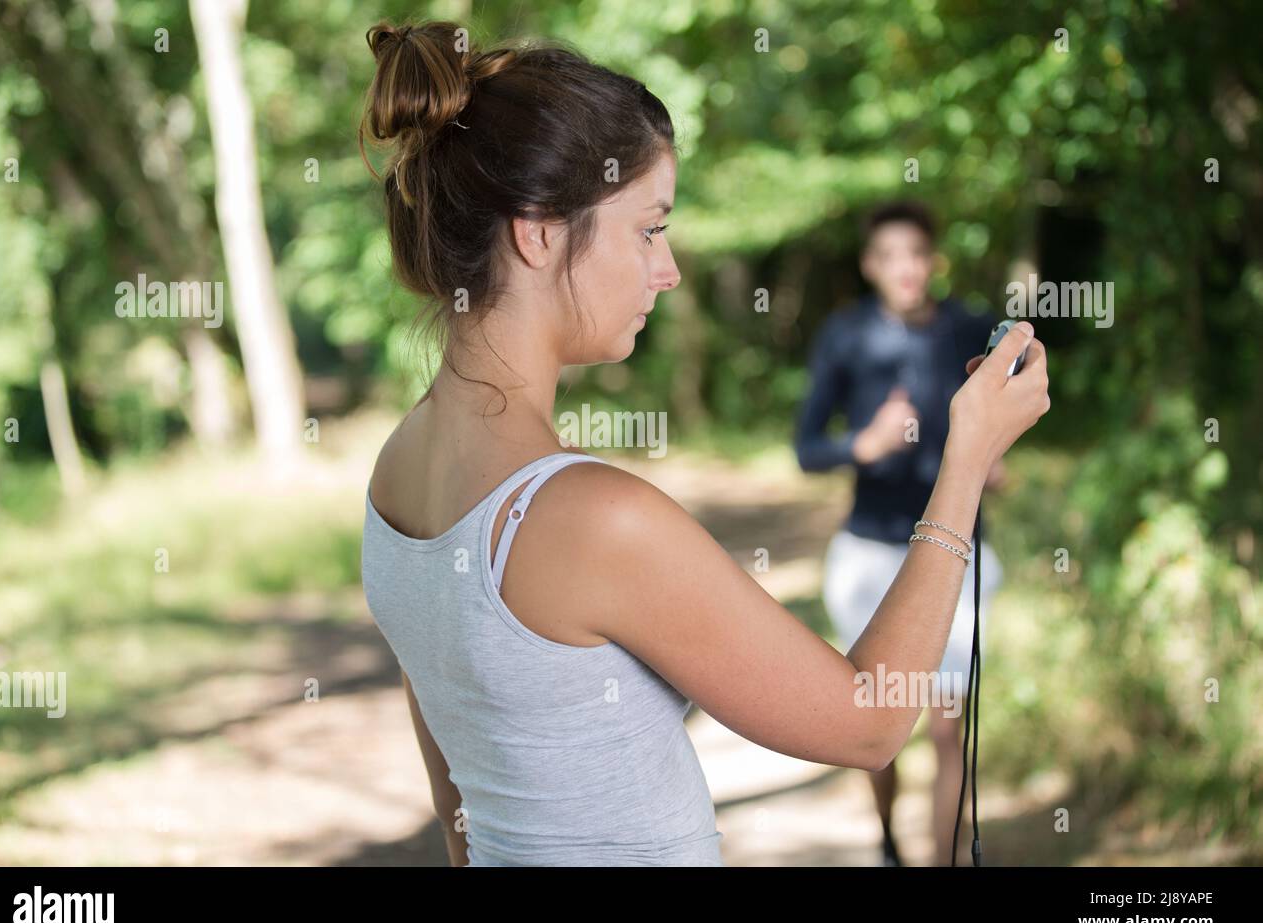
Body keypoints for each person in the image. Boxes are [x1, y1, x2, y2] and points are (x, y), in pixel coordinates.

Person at [358, 20, 1050, 867]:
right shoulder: (591, 518)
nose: (669, 268)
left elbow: (457, 798)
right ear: (536, 230)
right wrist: (969, 459)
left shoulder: (397, 470)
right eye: (649, 227)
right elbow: (870, 722)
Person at [794, 200, 1010, 866]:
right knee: (880, 732)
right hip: (870, 557)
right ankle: (889, 842)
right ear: (869, 265)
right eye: (889, 256)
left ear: (934, 259)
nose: (906, 268)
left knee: (948, 731)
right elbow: (806, 449)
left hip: (958, 554)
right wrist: (865, 444)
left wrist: (997, 449)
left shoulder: (970, 328)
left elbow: (1007, 400)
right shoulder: (845, 334)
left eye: (917, 253)